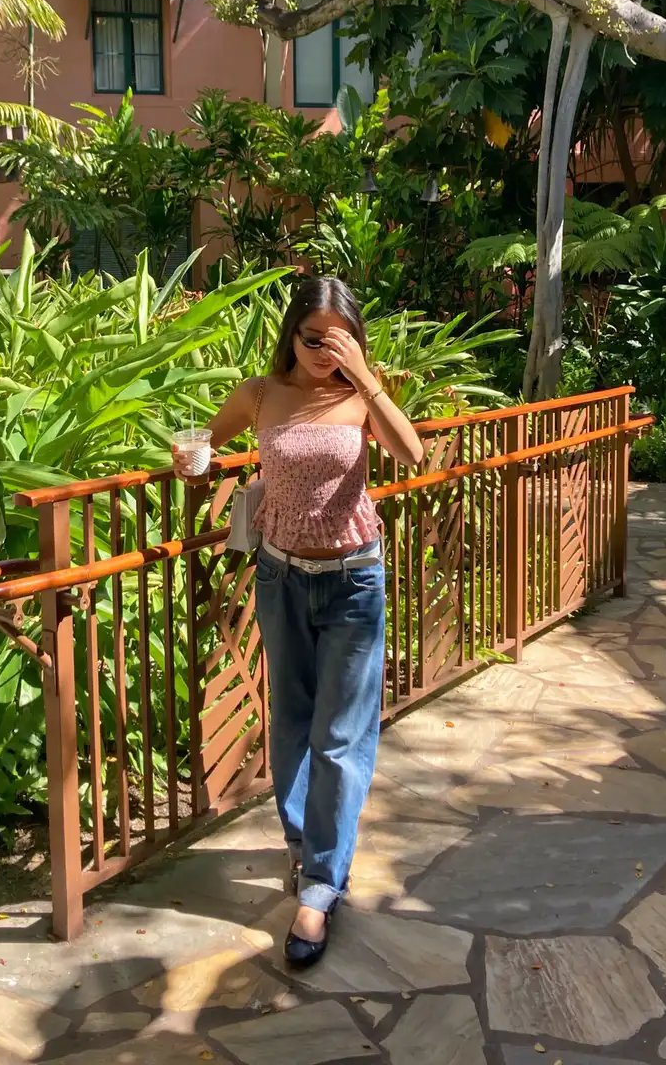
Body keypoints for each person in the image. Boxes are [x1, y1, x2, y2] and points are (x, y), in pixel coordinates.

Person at [171, 276, 424, 967]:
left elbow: (413, 453)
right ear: (290, 334)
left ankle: (318, 888)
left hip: (352, 580)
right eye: (312, 338)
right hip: (282, 575)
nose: (322, 351)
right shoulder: (259, 394)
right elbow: (207, 457)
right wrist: (194, 465)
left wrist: (366, 379)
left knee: (341, 736)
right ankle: (302, 846)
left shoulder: (357, 396)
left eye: (336, 339)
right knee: (290, 721)